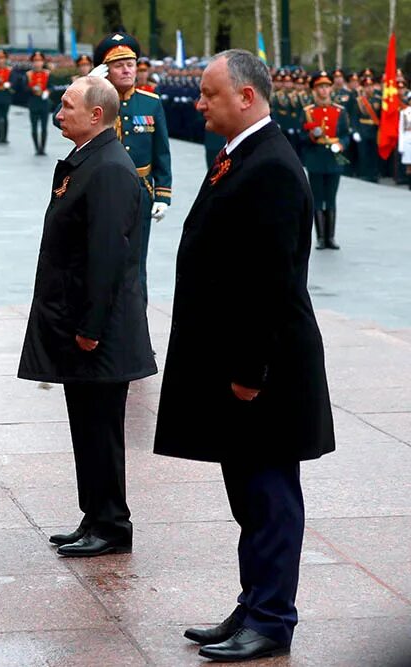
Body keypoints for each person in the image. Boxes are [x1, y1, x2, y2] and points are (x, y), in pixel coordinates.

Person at [154, 49, 335, 662]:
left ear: (246, 97)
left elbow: (272, 281)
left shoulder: (272, 166)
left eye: (210, 94)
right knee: (249, 497)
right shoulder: (241, 155)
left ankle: (272, 619)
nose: (199, 103)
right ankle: (253, 603)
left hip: (266, 371)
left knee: (270, 497)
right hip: (241, 364)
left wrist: (250, 369)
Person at [18, 75, 156, 558]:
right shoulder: (89, 160)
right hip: (80, 324)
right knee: (86, 426)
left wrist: (91, 328)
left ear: (96, 115)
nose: (59, 114)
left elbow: (108, 256)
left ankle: (112, 524)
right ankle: (94, 515)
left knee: (101, 430)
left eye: (67, 106)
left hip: (99, 332)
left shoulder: (110, 169)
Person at [93, 31, 172, 305]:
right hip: (103, 190)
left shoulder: (151, 103)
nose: (127, 70)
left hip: (140, 191)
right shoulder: (95, 101)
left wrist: (163, 196)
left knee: (137, 265)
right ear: (106, 70)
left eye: (131, 64)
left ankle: (138, 327)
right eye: (118, 65)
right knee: (103, 261)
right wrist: (87, 84)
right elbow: (61, 118)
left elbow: (162, 152)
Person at [303, 70, 350, 250]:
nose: (324, 90)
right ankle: (321, 237)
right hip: (316, 158)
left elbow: (345, 134)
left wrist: (342, 145)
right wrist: (311, 136)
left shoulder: (340, 111)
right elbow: (301, 136)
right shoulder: (308, 111)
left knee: (330, 198)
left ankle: (331, 237)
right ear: (315, 90)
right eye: (320, 87)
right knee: (317, 198)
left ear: (331, 89)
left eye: (326, 87)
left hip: (334, 158)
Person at [26, 51, 51, 155]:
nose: (37, 63)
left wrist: (47, 91)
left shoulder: (47, 73)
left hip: (44, 103)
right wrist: (31, 89)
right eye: (35, 61)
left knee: (44, 127)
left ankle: (43, 148)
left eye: (40, 61)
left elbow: (51, 86)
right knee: (34, 127)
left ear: (43, 62)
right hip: (33, 102)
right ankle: (37, 147)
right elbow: (24, 88)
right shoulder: (29, 74)